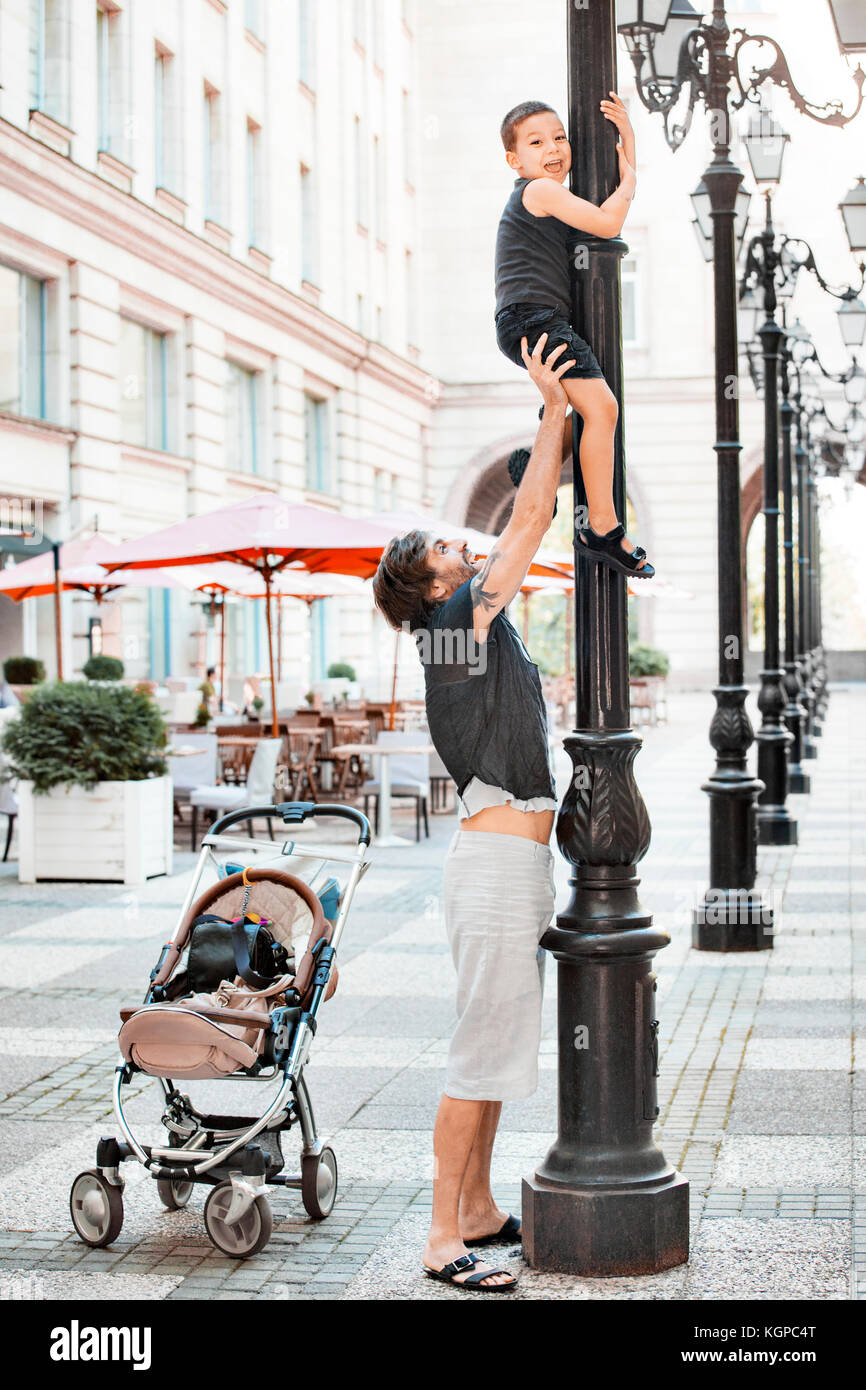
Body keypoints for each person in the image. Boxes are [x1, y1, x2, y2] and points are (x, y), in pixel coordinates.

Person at [372, 336, 573, 1293]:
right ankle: (442, 1237)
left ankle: (482, 1207)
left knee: (496, 1042)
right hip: (495, 863)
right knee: (478, 1046)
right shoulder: (455, 626)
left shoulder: (466, 634)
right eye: (449, 546)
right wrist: (556, 408)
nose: (466, 542)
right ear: (433, 583)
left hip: (509, 858)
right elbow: (531, 516)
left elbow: (526, 523)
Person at [495, 94, 654, 579]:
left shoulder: (546, 198)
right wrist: (630, 180)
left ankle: (532, 464)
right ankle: (600, 529)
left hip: (526, 320)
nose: (554, 147)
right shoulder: (538, 191)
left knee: (570, 409)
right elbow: (607, 223)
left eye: (560, 137)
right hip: (534, 319)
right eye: (536, 141)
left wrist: (626, 139)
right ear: (514, 160)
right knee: (602, 408)